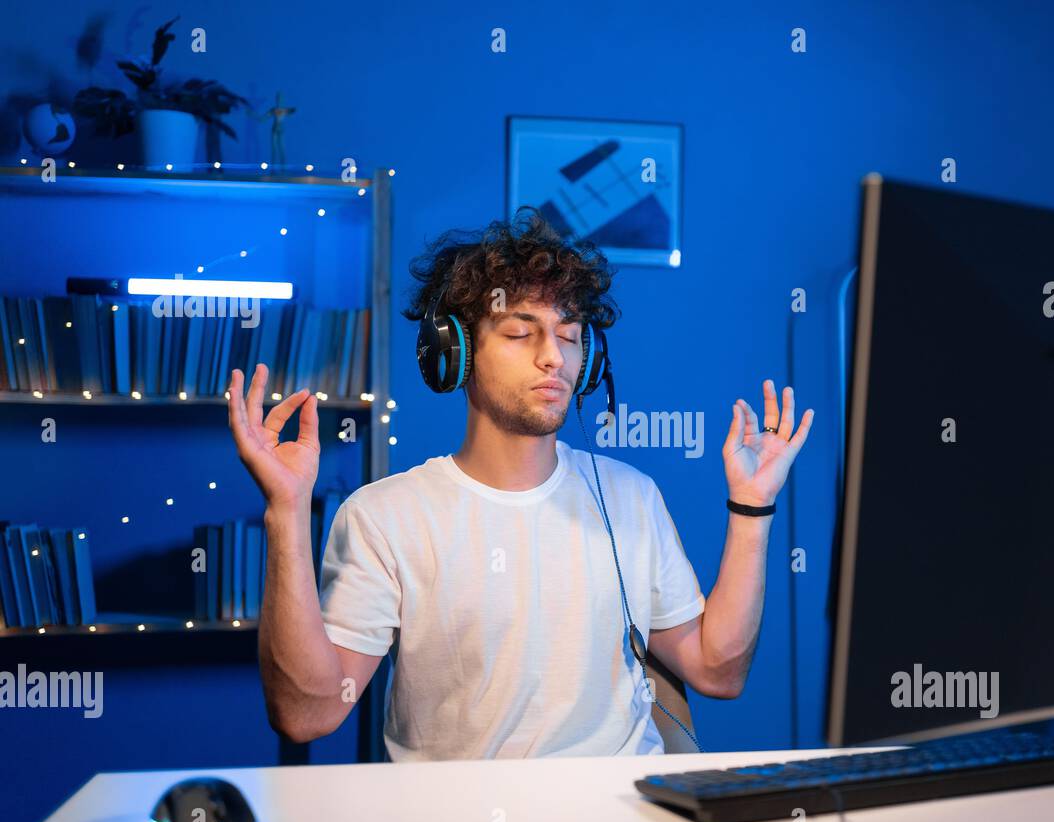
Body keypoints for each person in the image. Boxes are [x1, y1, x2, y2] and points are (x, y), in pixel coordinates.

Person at [225, 208, 813, 760]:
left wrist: (751, 506)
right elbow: (307, 715)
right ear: (454, 352)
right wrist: (286, 508)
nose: (552, 357)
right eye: (519, 332)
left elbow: (718, 671)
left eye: (569, 334)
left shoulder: (631, 497)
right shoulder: (386, 516)